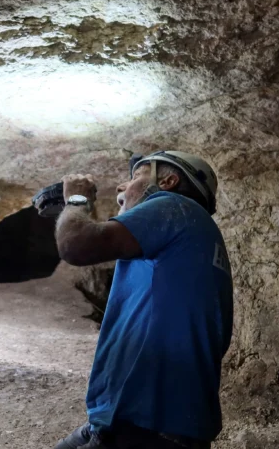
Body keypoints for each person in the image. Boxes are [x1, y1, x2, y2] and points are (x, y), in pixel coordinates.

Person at [53, 151, 234, 449]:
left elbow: (76, 244)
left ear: (168, 182)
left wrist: (76, 200)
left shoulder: (174, 206)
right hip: (148, 421)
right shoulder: (194, 234)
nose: (121, 187)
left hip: (149, 423)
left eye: (136, 176)